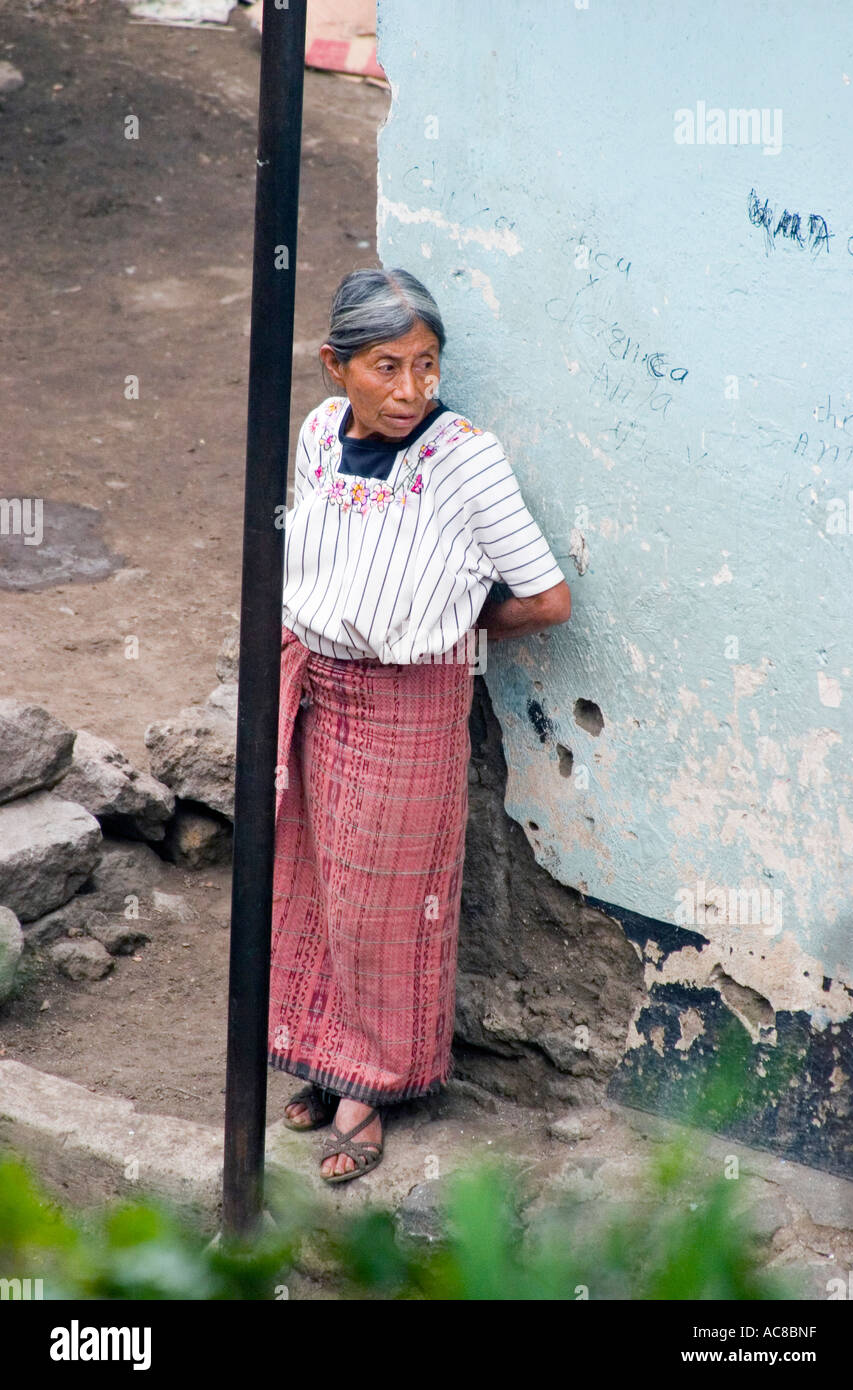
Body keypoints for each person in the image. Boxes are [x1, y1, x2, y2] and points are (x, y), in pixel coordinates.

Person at [269, 267, 570, 1183]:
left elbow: (548, 599)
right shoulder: (320, 435)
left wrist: (460, 622)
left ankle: (376, 1089)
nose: (411, 391)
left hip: (408, 699)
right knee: (313, 871)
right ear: (336, 367)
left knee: (390, 900)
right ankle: (324, 1055)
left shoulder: (465, 458)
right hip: (318, 678)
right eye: (386, 367)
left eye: (427, 365)